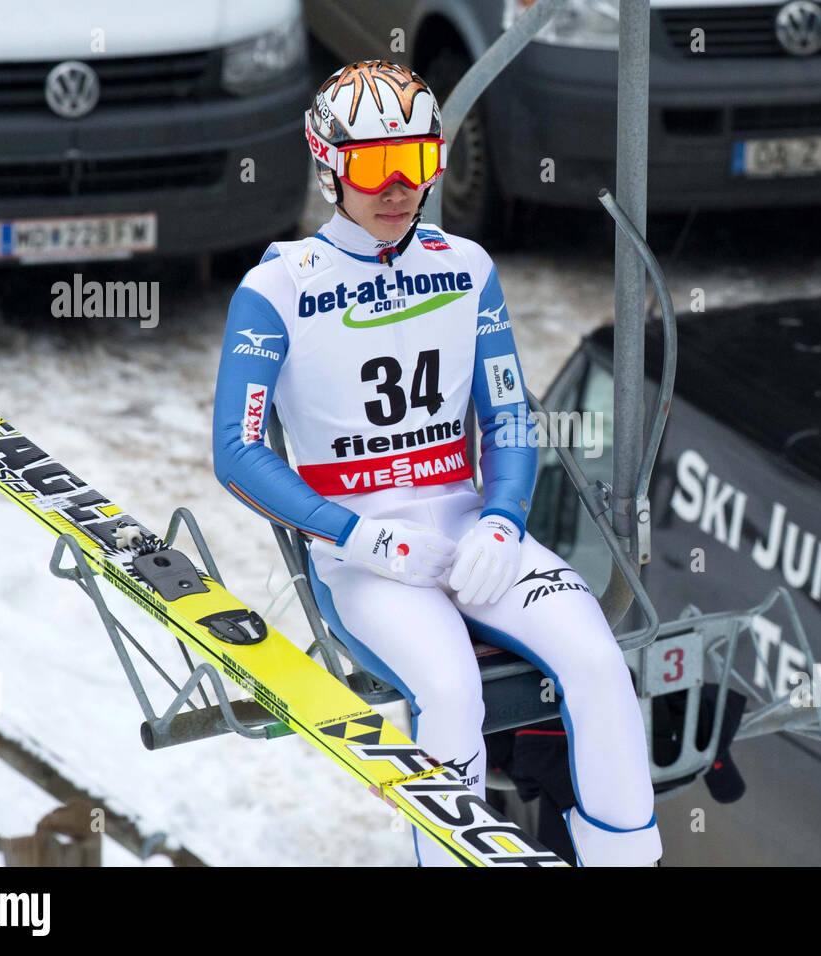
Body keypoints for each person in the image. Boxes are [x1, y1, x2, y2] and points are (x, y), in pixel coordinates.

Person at [211, 60, 661, 867]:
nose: (396, 187)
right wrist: (358, 537)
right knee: (450, 691)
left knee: (597, 659)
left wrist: (502, 519)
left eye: (416, 163)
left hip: (469, 525)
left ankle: (630, 859)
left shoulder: (466, 267)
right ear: (328, 166)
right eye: (373, 166)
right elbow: (236, 452)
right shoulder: (274, 289)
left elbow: (508, 414)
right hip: (366, 555)